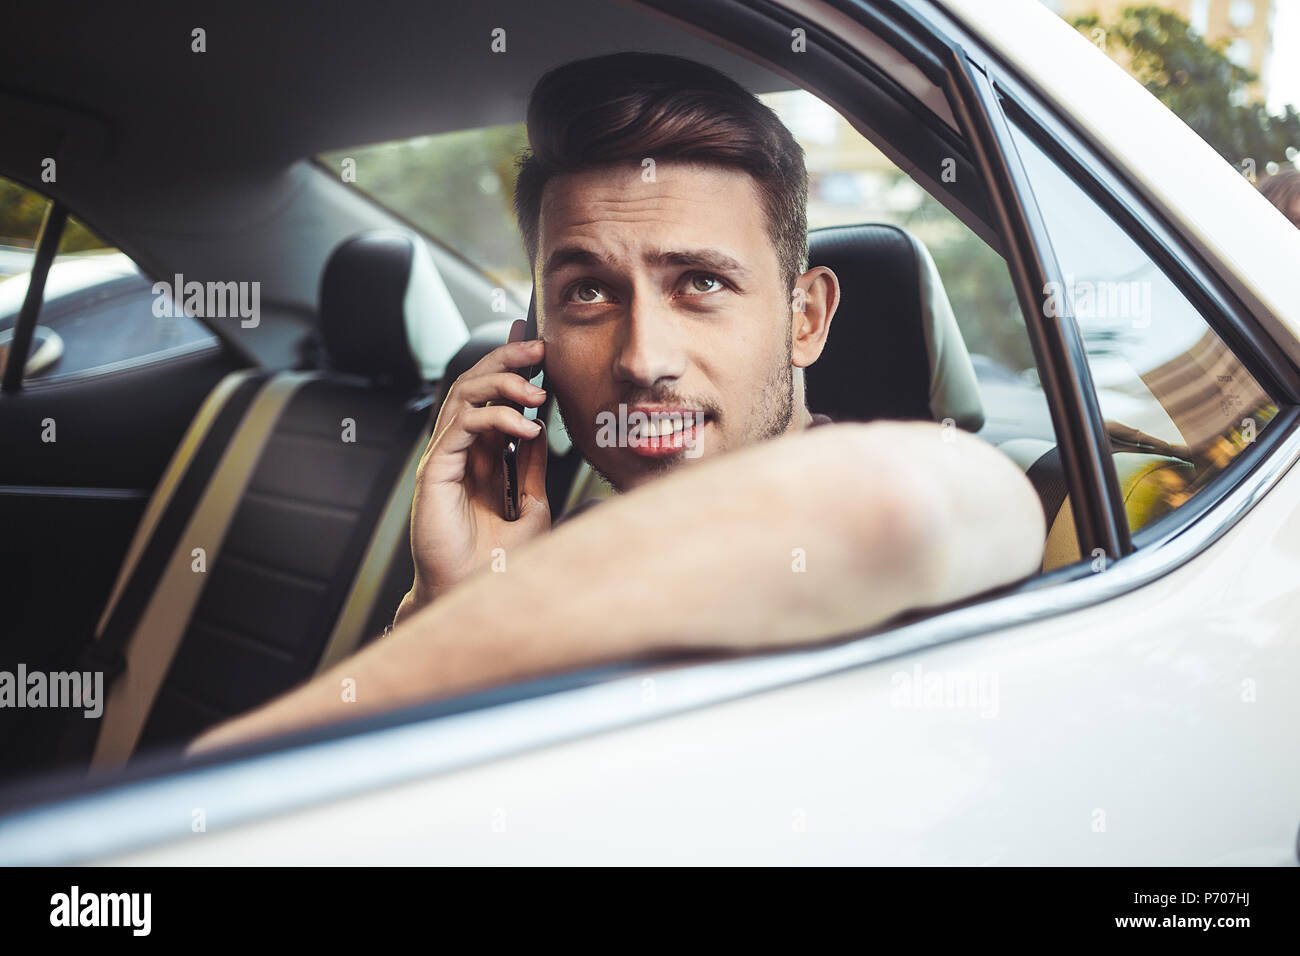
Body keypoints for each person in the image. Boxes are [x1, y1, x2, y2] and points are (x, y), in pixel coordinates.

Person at [188, 54, 1045, 754]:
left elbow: (924, 503)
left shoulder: (927, 495)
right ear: (535, 341)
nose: (642, 360)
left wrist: (492, 623)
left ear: (806, 318)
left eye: (701, 283)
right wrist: (451, 598)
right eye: (590, 295)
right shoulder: (555, 548)